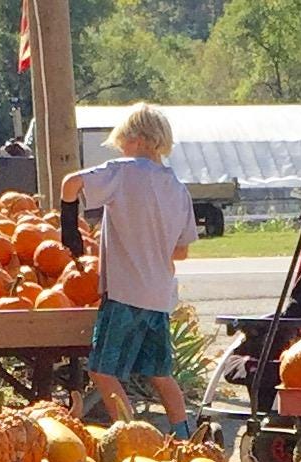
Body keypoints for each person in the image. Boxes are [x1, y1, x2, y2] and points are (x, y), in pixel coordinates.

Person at [61, 103, 195, 437]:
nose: (120, 146)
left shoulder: (122, 171)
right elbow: (182, 251)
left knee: (103, 371)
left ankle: (130, 433)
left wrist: (69, 230)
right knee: (160, 373)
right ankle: (184, 436)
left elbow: (70, 183)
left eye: (122, 140)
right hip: (159, 295)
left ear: (135, 138)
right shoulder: (178, 188)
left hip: (123, 293)